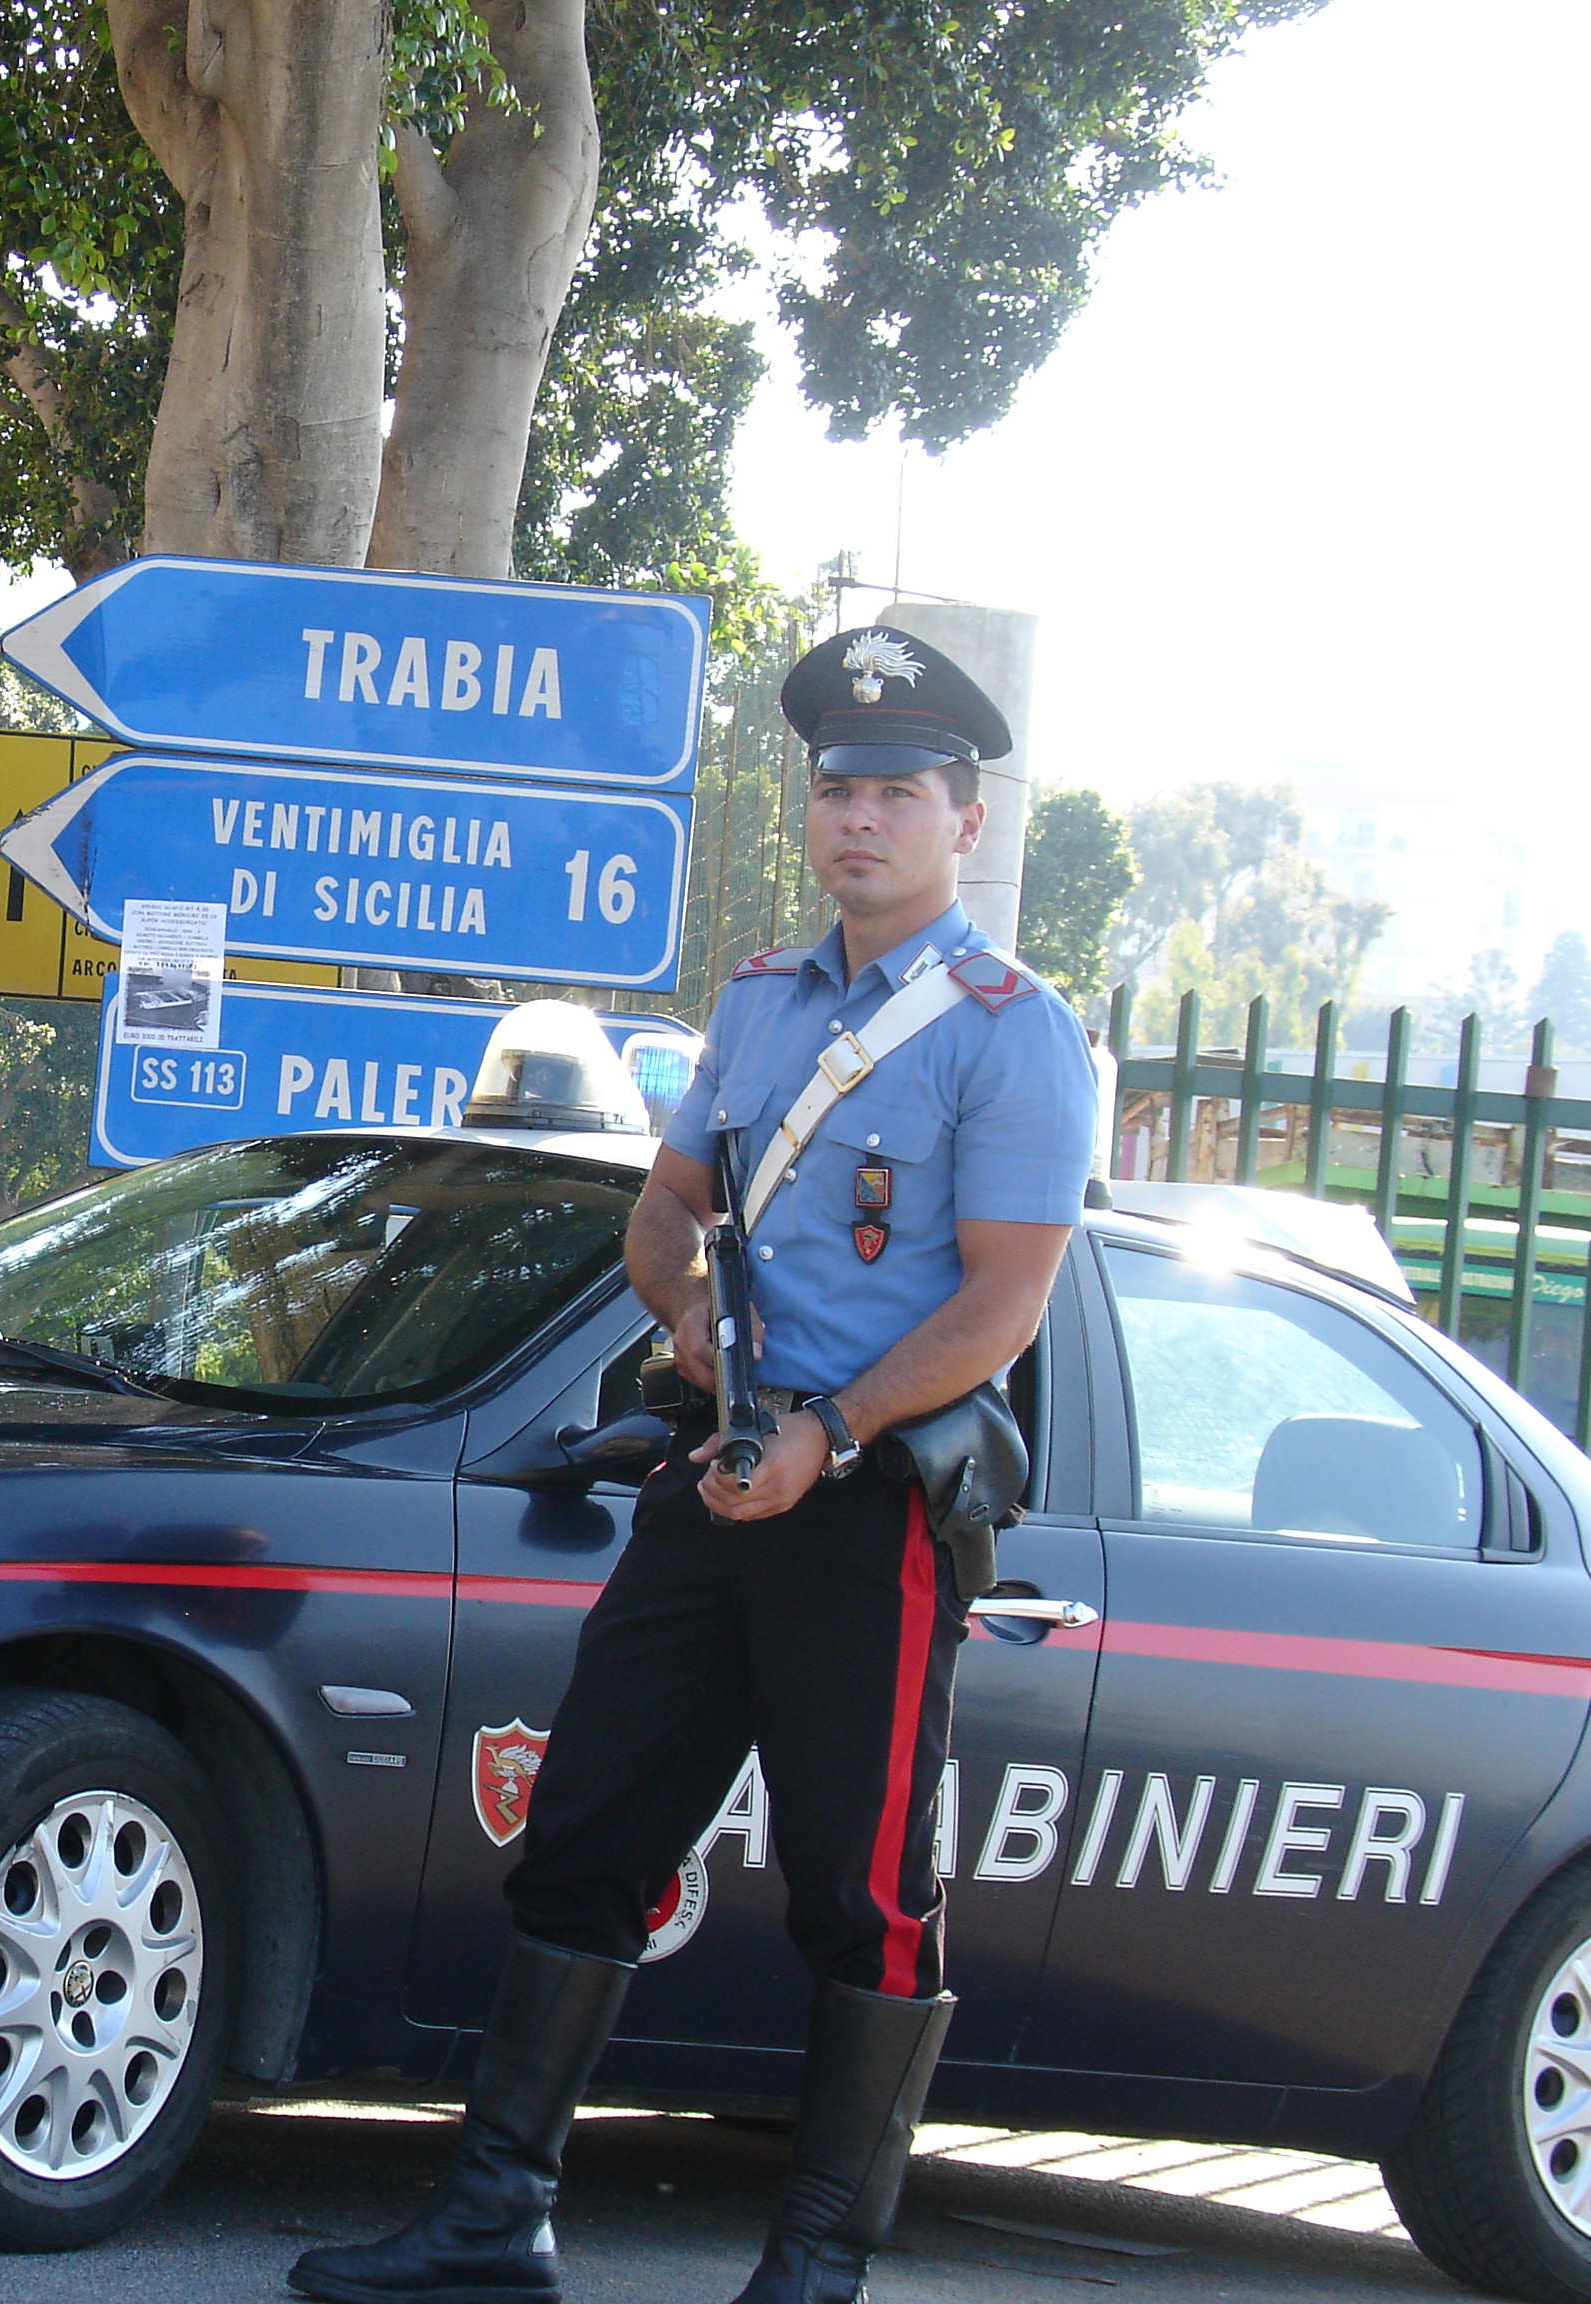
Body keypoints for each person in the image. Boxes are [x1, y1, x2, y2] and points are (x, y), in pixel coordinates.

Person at [291, 626, 1100, 2304]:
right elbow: (669, 1211)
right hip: (716, 1479)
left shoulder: (1010, 1032)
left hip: (868, 1512)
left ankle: (816, 2270)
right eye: (837, 791)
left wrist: (827, 1429)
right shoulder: (757, 999)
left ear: (963, 817)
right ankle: (494, 2221)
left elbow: (1005, 1302)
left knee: (861, 1892)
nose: (857, 818)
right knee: (587, 1835)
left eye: (895, 792)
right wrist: (700, 1328)